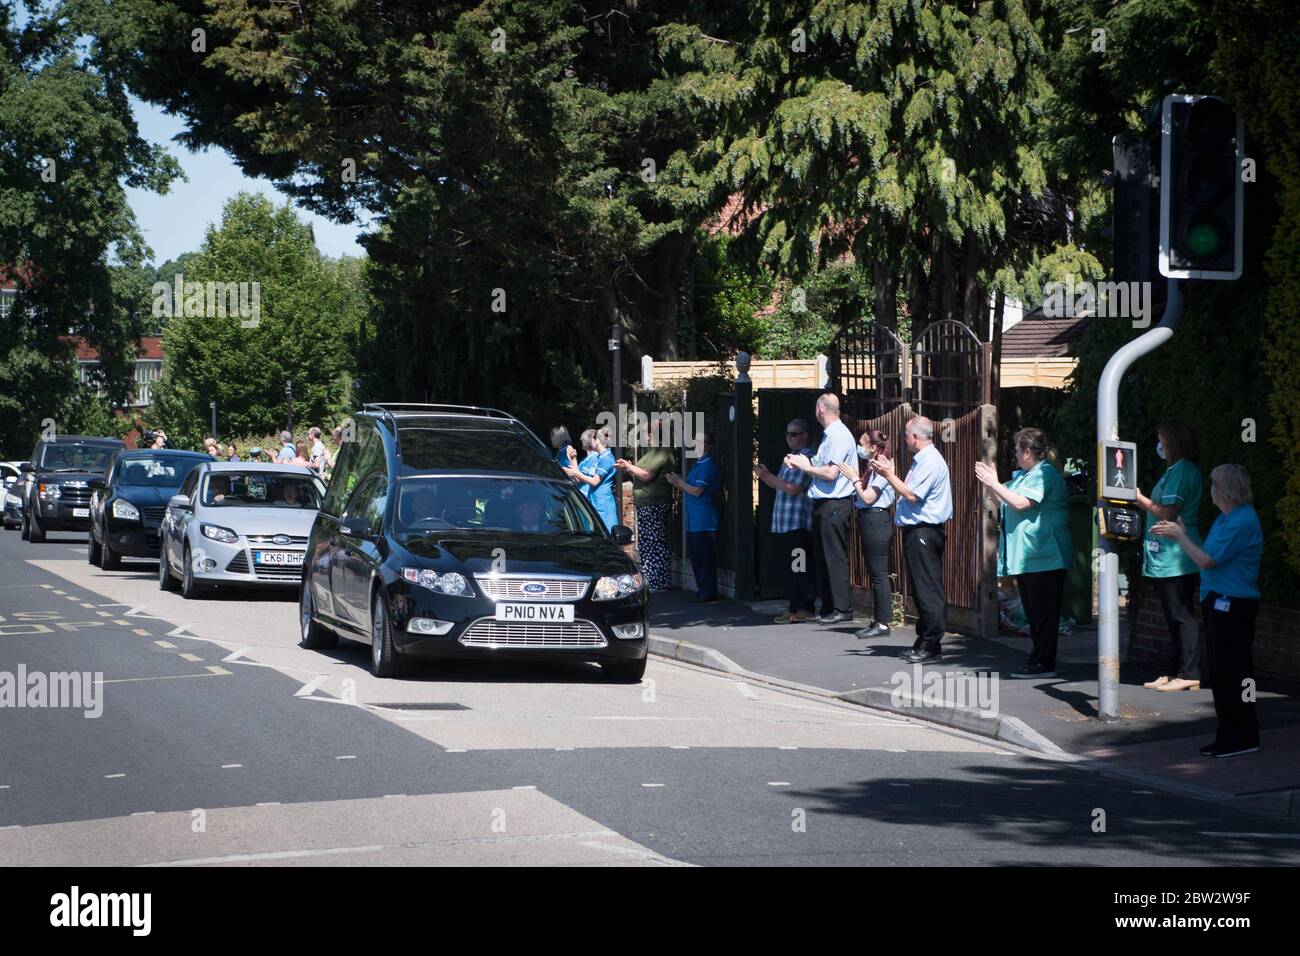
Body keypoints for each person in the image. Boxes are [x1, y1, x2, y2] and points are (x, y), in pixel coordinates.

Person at [1153, 464, 1262, 758]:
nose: (1210, 491)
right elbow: (1208, 554)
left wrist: (1180, 537)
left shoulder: (1242, 521)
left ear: (1223, 489)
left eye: (1213, 485)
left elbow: (1206, 562)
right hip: (1218, 601)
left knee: (1233, 671)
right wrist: (1185, 535)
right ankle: (1228, 733)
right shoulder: (1224, 520)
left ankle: (1243, 736)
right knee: (1221, 671)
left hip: (1235, 604)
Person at [975, 427, 1072, 677]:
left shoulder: (1045, 474)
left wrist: (994, 483)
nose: (1015, 455)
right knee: (1034, 613)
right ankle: (1039, 657)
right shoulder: (1023, 476)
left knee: (1043, 614)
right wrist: (992, 484)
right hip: (1030, 557)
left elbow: (1020, 502)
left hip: (1046, 556)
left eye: (1017, 450)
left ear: (1028, 452)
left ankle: (1044, 661)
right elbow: (1000, 500)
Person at [872, 416, 952, 664]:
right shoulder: (922, 460)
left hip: (924, 531)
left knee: (927, 588)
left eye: (906, 434)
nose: (904, 439)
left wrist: (887, 475)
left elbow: (912, 494)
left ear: (915, 437)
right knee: (919, 588)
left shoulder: (929, 461)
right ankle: (924, 639)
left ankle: (931, 643)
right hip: (917, 531)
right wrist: (891, 473)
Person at [1136, 419, 1204, 692]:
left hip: (1177, 556)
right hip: (1166, 556)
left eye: (1162, 440)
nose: (1159, 446)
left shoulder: (1182, 471)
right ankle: (1173, 670)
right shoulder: (1174, 471)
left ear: (1173, 442)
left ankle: (1189, 673)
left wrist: (1138, 498)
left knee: (1181, 615)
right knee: (1172, 614)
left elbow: (1167, 512)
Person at [784, 393, 858, 624]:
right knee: (823, 557)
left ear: (820, 410)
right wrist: (798, 461)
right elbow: (820, 463)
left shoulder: (837, 435)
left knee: (834, 557)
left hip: (835, 502)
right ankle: (828, 606)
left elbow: (831, 473)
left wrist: (805, 467)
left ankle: (842, 608)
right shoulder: (830, 436)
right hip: (824, 503)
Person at [837, 428, 896, 639]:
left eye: (862, 444)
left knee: (879, 574)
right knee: (875, 572)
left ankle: (883, 623)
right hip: (868, 517)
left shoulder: (883, 466)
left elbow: (870, 497)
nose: (859, 448)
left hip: (876, 518)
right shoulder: (872, 465)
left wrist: (853, 478)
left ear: (873, 447)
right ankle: (879, 619)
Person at [757, 418, 817, 623]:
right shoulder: (791, 458)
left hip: (797, 524)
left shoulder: (806, 458)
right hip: (785, 523)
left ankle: (805, 606)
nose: (789, 438)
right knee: (792, 568)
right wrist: (766, 477)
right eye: (787, 434)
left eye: (794, 434)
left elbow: (793, 488)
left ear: (805, 436)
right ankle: (794, 606)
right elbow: (782, 485)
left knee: (800, 566)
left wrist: (767, 475)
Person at [617, 427, 674, 592]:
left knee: (655, 542)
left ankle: (660, 581)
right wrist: (628, 467)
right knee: (647, 543)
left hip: (655, 503)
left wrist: (629, 466)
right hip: (646, 504)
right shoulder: (652, 452)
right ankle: (651, 580)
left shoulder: (661, 452)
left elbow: (646, 475)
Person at [666, 432, 718, 602]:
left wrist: (678, 483)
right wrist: (679, 481)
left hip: (704, 519)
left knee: (704, 557)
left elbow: (697, 491)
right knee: (696, 556)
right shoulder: (698, 465)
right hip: (694, 519)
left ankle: (708, 591)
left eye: (701, 443)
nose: (697, 447)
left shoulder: (707, 465)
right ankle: (703, 588)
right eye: (695, 443)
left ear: (709, 446)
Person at [563, 427, 618, 531]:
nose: (590, 442)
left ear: (596, 441)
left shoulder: (606, 458)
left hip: (603, 503)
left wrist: (576, 473)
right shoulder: (600, 457)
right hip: (595, 501)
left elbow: (594, 481)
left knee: (607, 533)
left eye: (592, 439)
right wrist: (574, 460)